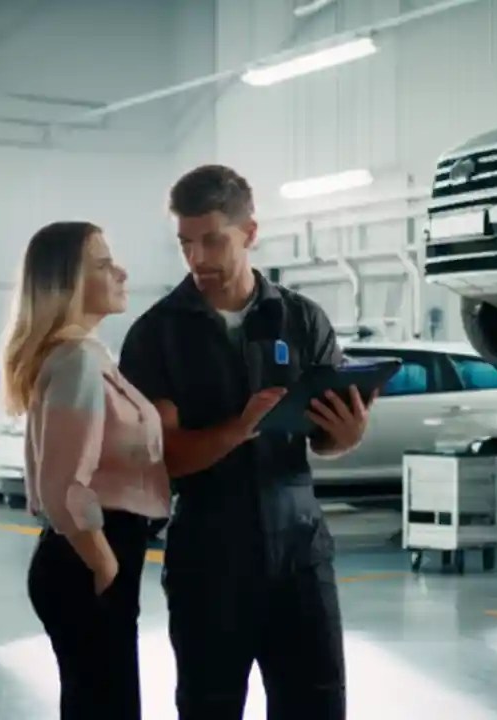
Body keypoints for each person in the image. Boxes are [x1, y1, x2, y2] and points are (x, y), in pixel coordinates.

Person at [118, 164, 375, 720]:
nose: (199, 259)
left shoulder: (302, 319)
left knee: (317, 705)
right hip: (210, 553)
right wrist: (239, 427)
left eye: (214, 240)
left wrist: (345, 436)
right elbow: (169, 458)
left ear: (249, 233)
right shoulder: (156, 334)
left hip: (302, 549)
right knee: (210, 707)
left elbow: (324, 441)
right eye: (186, 244)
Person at [0, 221, 171, 720]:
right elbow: (62, 483)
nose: (121, 272)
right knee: (106, 706)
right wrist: (104, 565)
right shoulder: (76, 359)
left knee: (97, 703)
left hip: (89, 551)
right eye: (102, 264)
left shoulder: (84, 355)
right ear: (67, 282)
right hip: (90, 552)